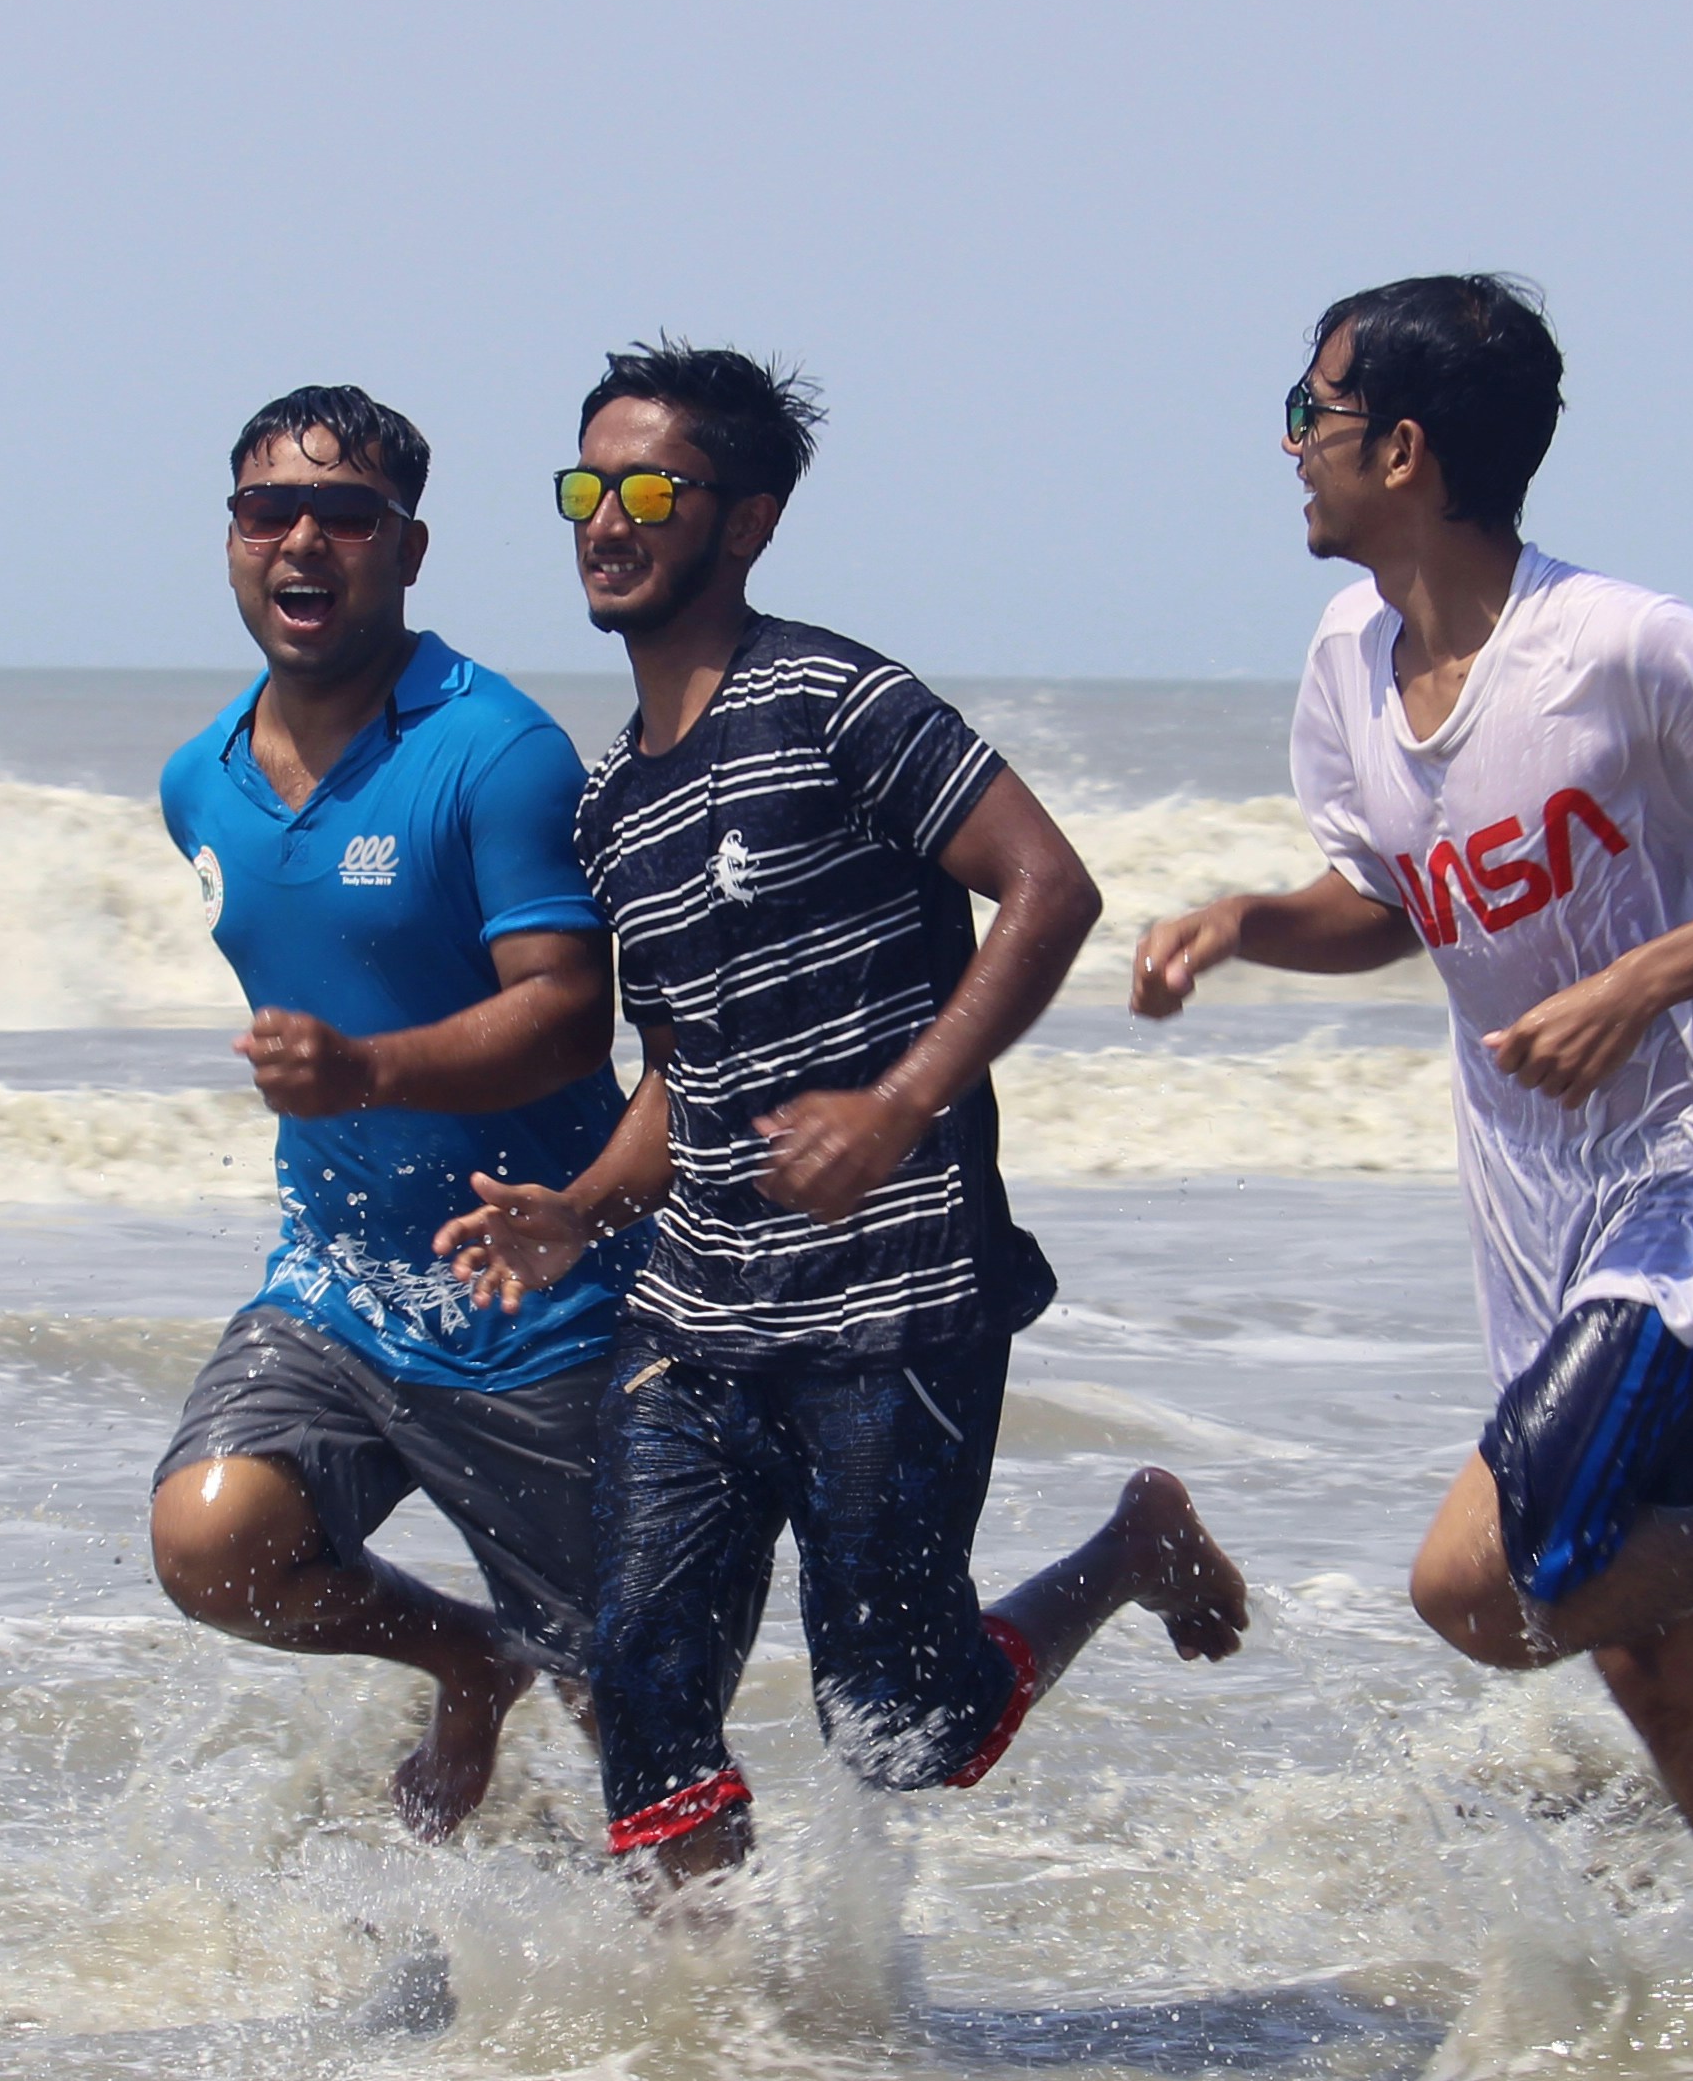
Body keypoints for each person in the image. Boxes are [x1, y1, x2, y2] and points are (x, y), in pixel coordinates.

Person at [1129, 274, 1693, 1948]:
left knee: (1491, 1594)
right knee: (1645, 1646)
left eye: (1313, 414)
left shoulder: (1622, 646)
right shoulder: (1350, 659)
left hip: (1680, 1177)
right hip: (1525, 1216)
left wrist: (1646, 978)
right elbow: (1390, 904)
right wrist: (1247, 922)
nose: (1289, 447)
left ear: (1406, 449)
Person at [436, 340, 1248, 1885]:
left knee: (903, 1722)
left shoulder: (833, 700)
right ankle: (715, 2068)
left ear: (744, 523)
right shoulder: (610, 808)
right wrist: (584, 1206)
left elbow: (1049, 885)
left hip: (899, 1301)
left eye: (651, 488)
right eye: (586, 487)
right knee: (646, 1697)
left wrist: (899, 1105)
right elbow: (691, 1069)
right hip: (694, 1313)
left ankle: (1131, 1546)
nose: (608, 520)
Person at [144, 384, 626, 1837]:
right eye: (267, 513)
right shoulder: (198, 784)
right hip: (337, 1290)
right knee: (211, 1540)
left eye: (344, 517)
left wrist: (372, 1071)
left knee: (636, 1723)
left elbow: (566, 1013)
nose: (304, 542)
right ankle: (464, 1660)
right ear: (230, 540)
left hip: (533, 1302)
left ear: (407, 550)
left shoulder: (495, 753)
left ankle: (718, 2042)